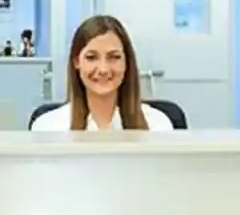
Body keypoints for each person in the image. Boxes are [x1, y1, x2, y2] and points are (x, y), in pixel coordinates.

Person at [31, 14, 173, 131]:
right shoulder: (48, 127)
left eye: (114, 57)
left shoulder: (158, 125)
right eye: (91, 58)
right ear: (76, 62)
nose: (103, 69)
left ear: (127, 63)